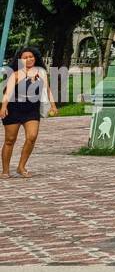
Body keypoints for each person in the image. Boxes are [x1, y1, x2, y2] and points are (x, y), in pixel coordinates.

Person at [2, 48, 57, 178]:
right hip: (14, 108)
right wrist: (3, 107)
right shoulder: (15, 74)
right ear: (20, 60)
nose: (29, 59)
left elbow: (47, 90)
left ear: (35, 57)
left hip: (31, 110)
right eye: (25, 57)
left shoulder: (41, 73)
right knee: (10, 140)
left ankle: (21, 167)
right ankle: (5, 170)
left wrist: (53, 106)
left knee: (31, 137)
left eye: (31, 56)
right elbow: (7, 93)